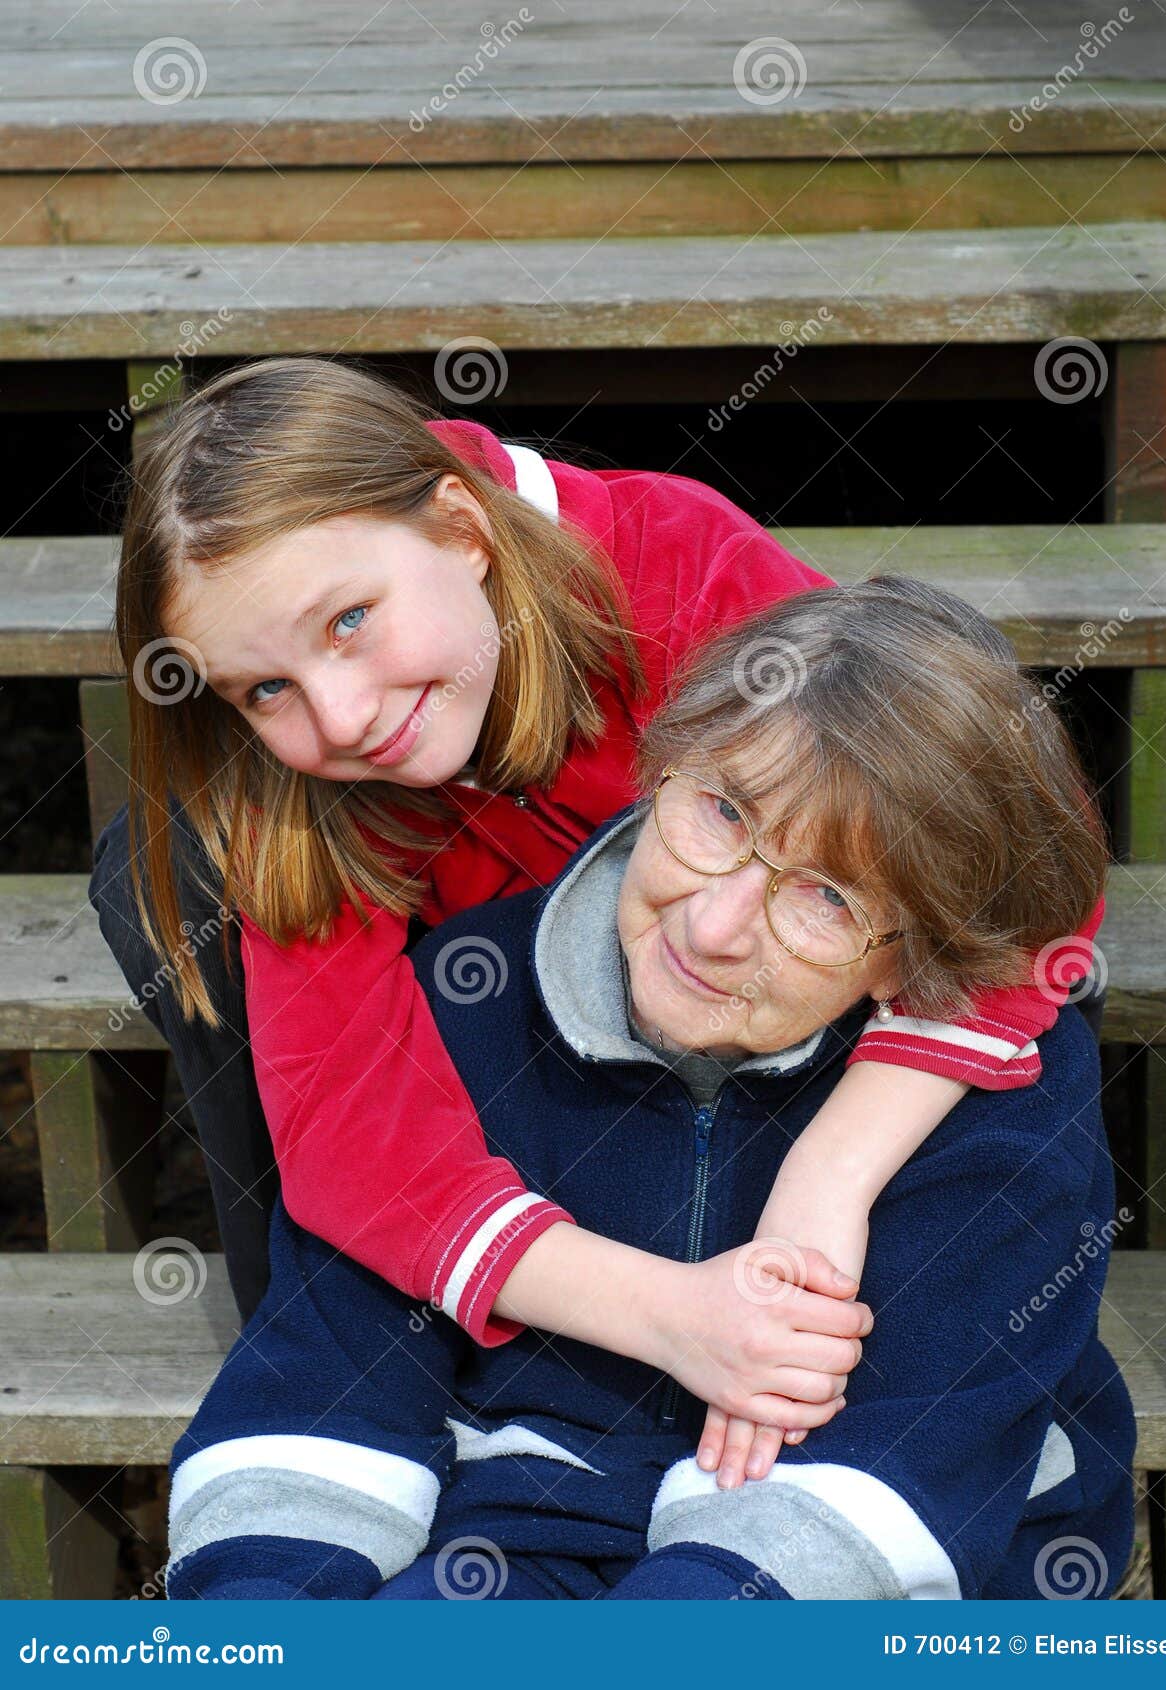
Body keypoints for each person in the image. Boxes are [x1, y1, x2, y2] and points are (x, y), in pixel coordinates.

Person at [89, 356, 1106, 1486]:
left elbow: (1032, 861)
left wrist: (831, 1171)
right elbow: (342, 1118)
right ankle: (341, 1370)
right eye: (260, 688)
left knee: (1016, 985)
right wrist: (667, 1312)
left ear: (463, 528)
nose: (338, 714)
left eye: (351, 620)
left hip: (794, 1037)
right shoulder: (296, 783)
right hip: (559, 1072)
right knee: (164, 875)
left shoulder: (674, 569)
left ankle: (909, 1447)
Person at [164, 580, 1134, 1601]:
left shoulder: (1001, 1102)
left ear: (911, 953)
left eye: (824, 895)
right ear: (655, 772)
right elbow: (324, 1381)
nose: (711, 927)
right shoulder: (466, 996)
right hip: (510, 1537)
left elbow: (895, 1478)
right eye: (718, 811)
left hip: (842, 1561)